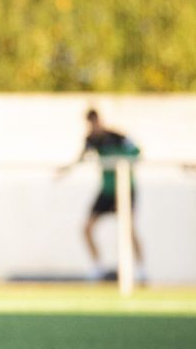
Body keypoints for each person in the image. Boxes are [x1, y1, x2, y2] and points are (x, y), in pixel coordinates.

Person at [56, 109, 144, 280]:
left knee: (129, 229)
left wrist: (120, 161)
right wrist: (65, 170)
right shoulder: (91, 140)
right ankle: (98, 267)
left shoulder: (117, 136)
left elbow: (137, 152)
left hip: (125, 189)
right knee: (87, 228)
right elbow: (80, 158)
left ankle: (141, 270)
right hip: (106, 191)